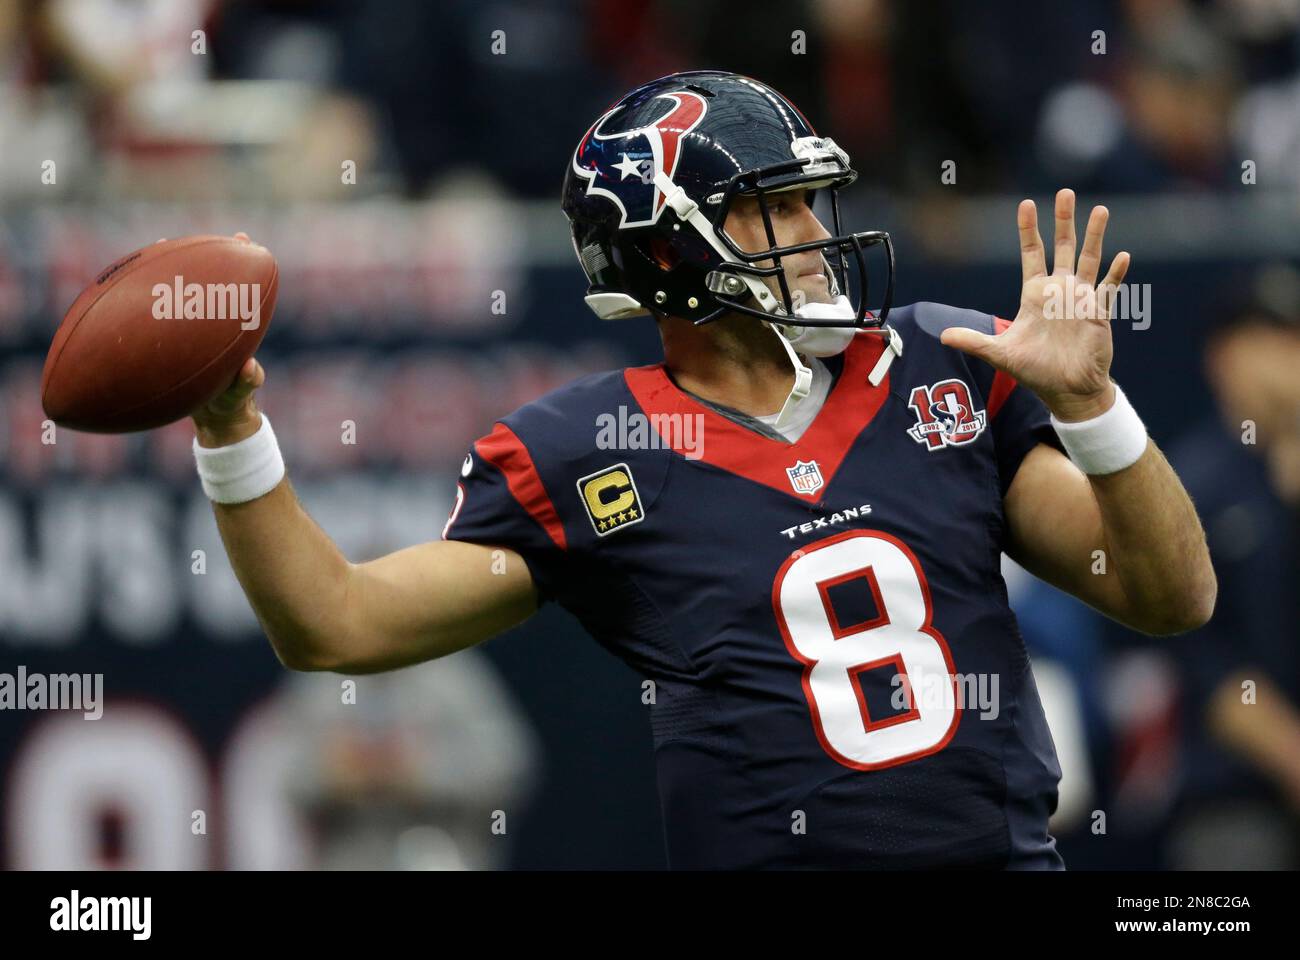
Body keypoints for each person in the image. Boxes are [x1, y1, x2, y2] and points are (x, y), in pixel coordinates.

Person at [190, 71, 1215, 869]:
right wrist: (231, 430)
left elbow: (1171, 598)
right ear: (671, 246)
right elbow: (336, 623)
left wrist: (1094, 410)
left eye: (815, 201)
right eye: (780, 207)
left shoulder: (940, 369)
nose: (819, 233)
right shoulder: (591, 451)